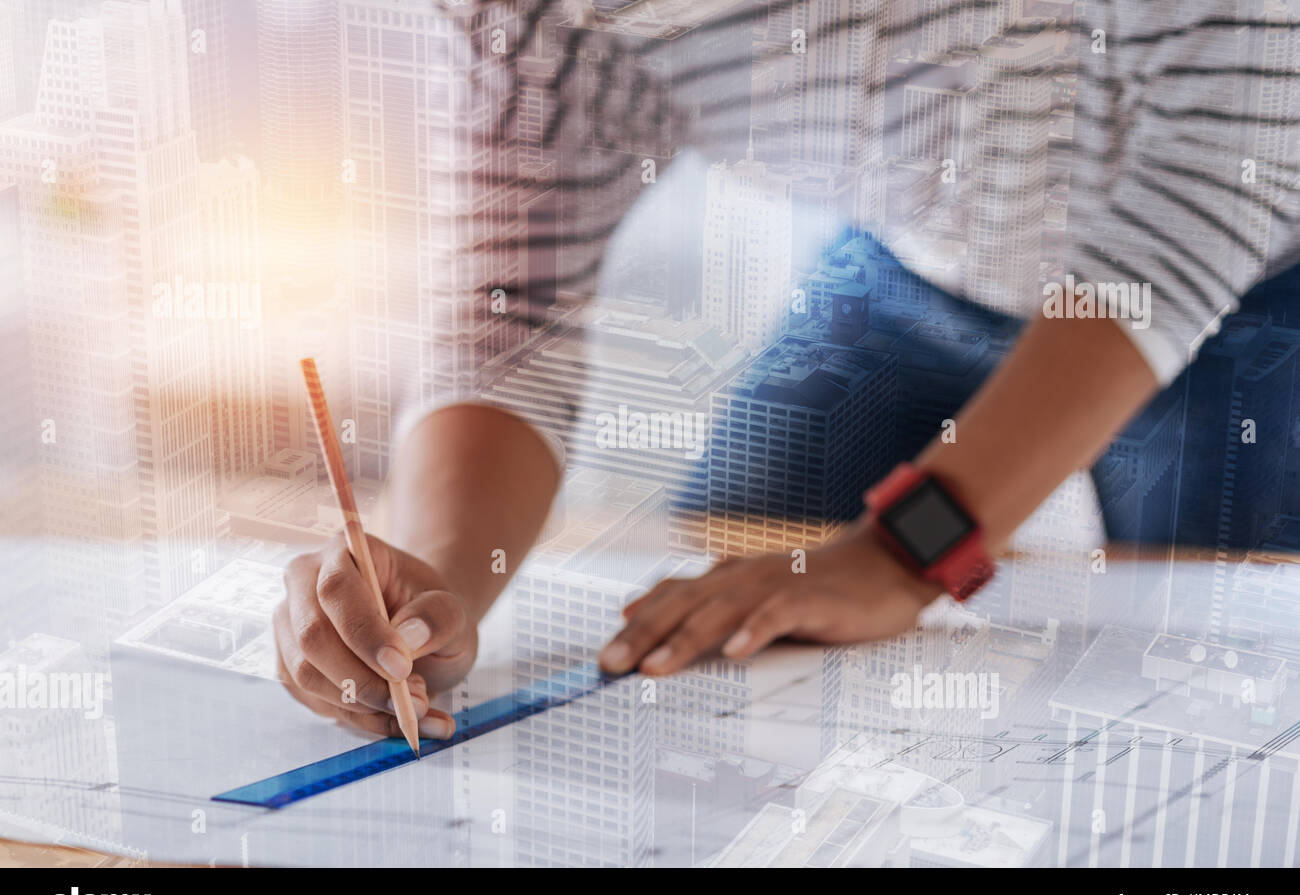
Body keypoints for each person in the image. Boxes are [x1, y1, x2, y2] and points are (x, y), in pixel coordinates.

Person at [272, 0, 1300, 739]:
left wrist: (906, 555)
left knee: (1214, 671)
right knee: (738, 573)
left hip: (1243, 282)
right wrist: (439, 590)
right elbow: (511, 310)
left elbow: (1191, 213)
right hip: (915, 261)